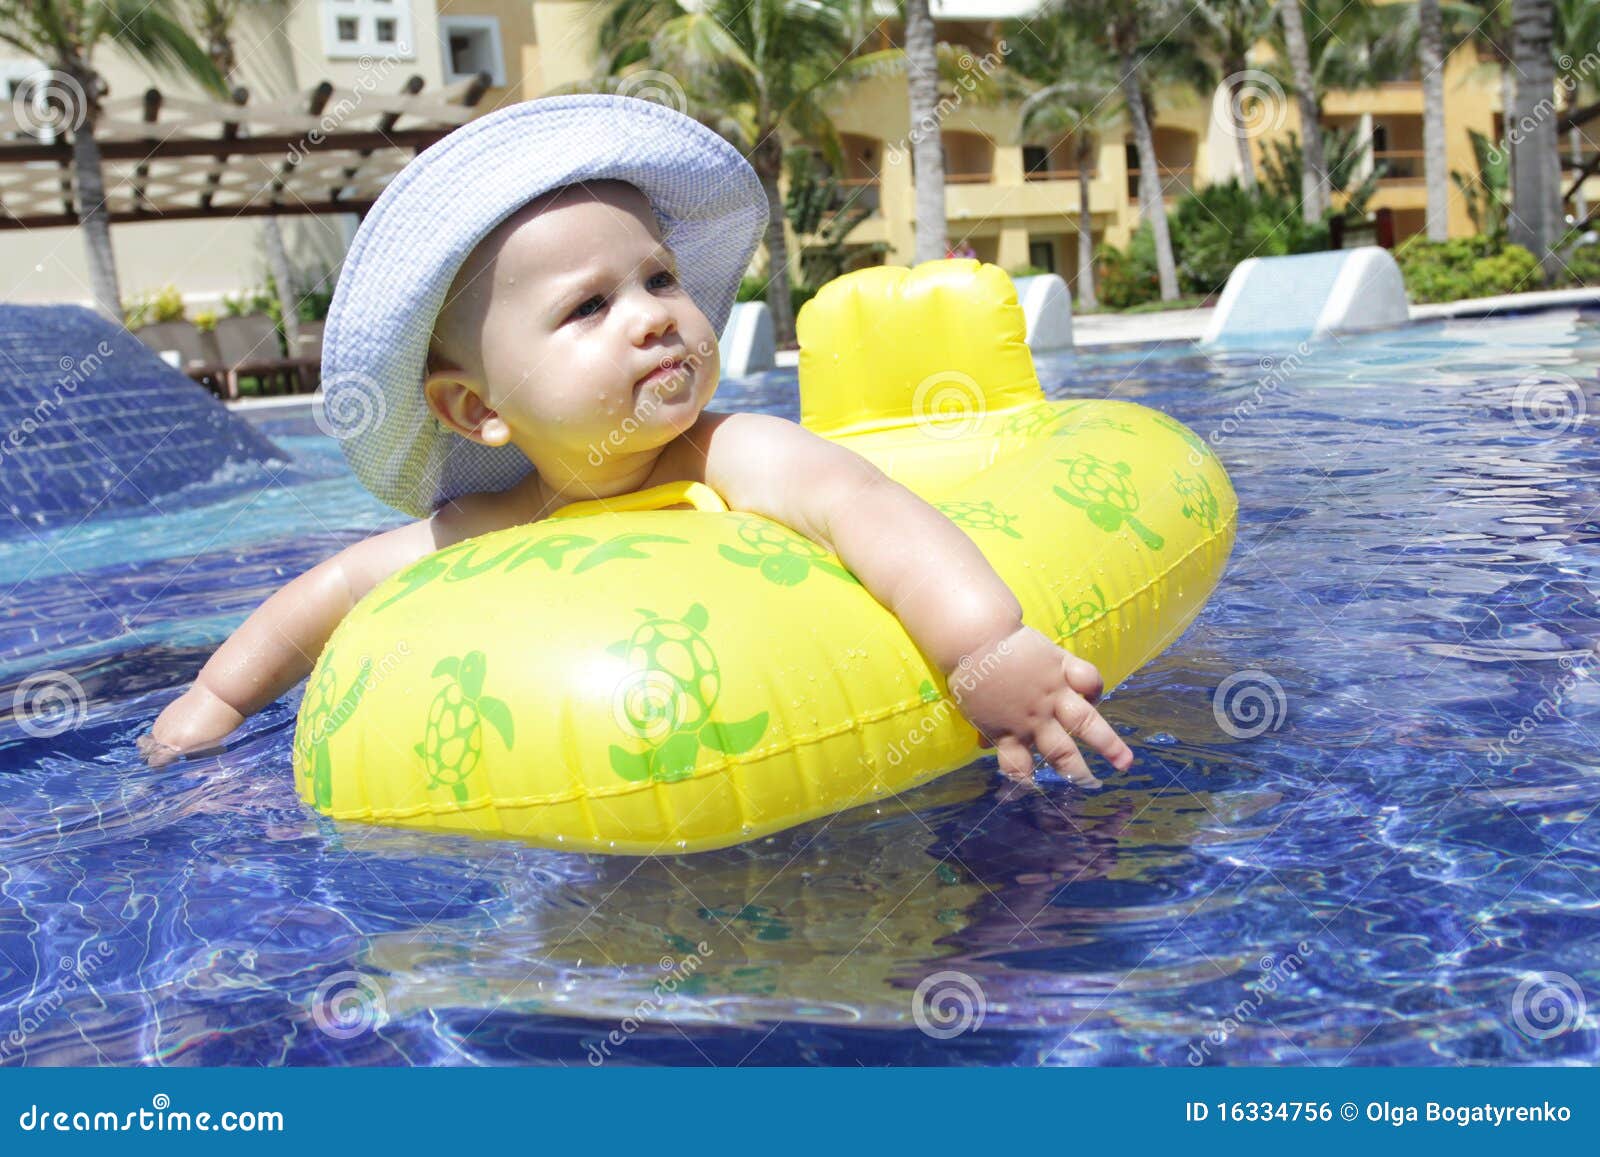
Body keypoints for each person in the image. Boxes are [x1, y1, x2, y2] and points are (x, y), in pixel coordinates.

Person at [139, 95, 1132, 789]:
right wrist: (217, 699)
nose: (656, 317)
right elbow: (325, 596)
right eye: (588, 306)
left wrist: (984, 648)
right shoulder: (486, 523)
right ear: (478, 410)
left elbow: (870, 510)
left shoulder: (732, 454)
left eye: (659, 279)